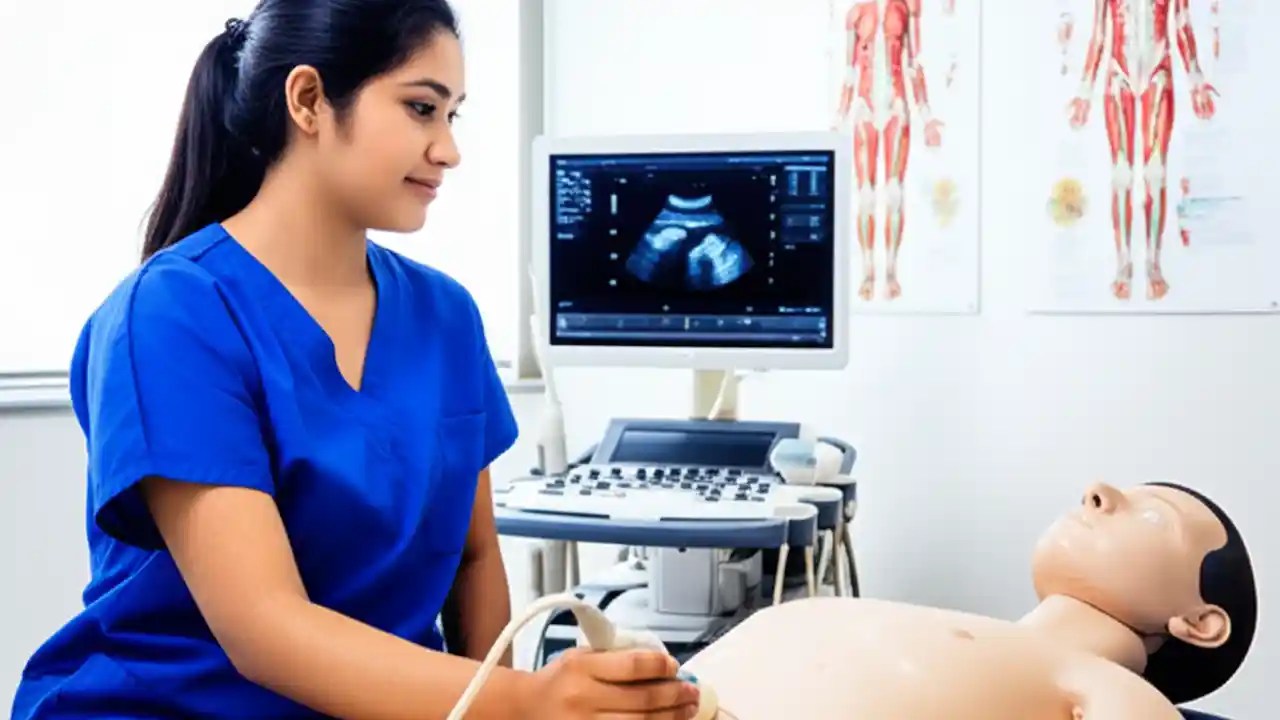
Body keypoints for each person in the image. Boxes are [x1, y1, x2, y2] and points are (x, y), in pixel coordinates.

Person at [11, 2, 701, 718]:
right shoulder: (171, 317)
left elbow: (474, 561)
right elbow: (265, 629)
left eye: (452, 116)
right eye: (420, 108)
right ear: (308, 101)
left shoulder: (445, 316)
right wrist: (522, 702)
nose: (448, 149)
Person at [681, 481, 1257, 719]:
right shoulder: (976, 640)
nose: (1099, 493)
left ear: (1200, 623)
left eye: (1156, 518)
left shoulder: (1115, 690)